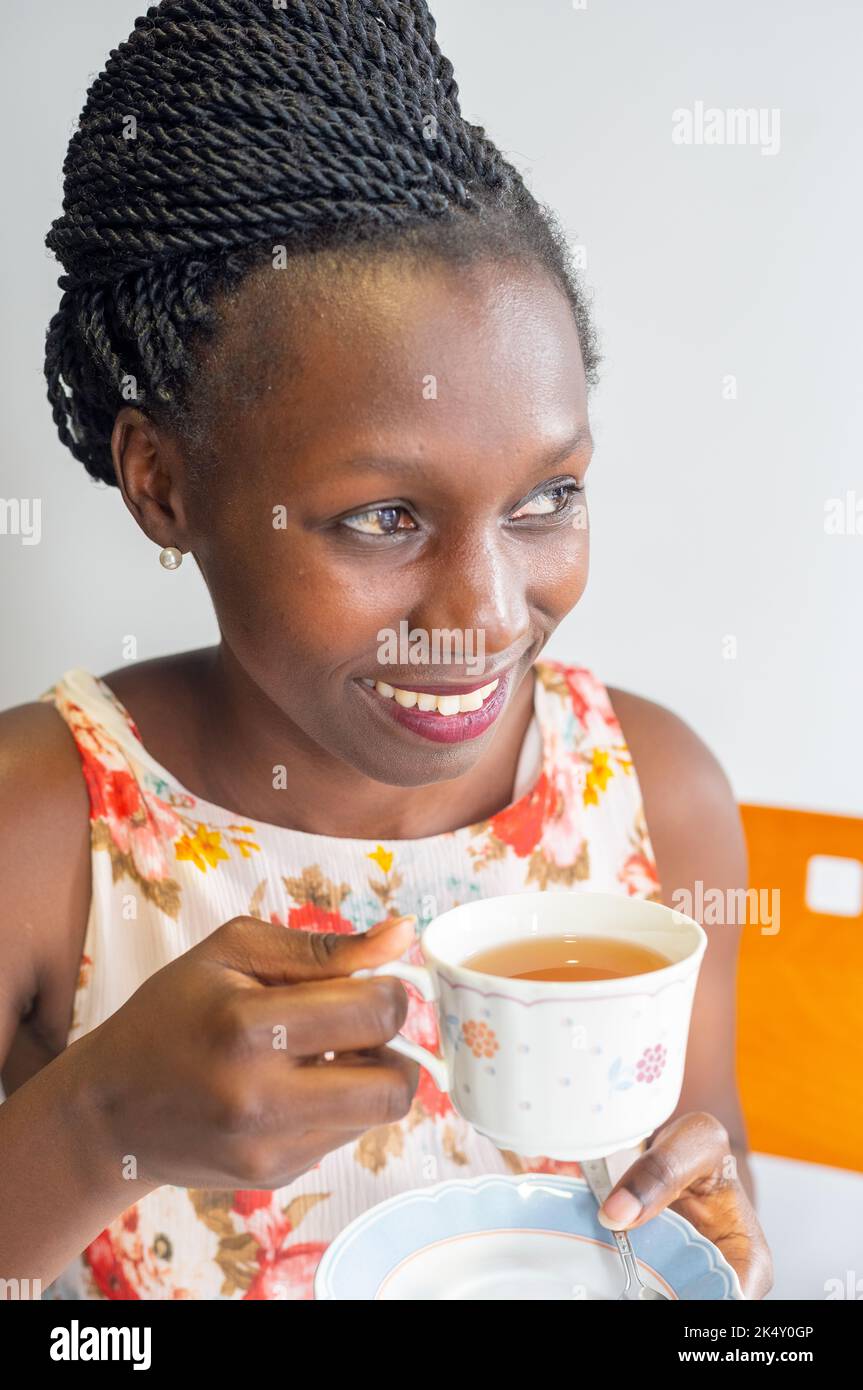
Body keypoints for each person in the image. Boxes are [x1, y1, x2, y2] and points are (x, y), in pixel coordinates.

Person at [0, 0, 772, 1300]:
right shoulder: (42, 834)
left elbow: (720, 1248)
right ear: (163, 483)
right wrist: (95, 1124)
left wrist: (730, 1284)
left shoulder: (657, 802)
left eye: (547, 497)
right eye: (384, 517)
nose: (485, 613)